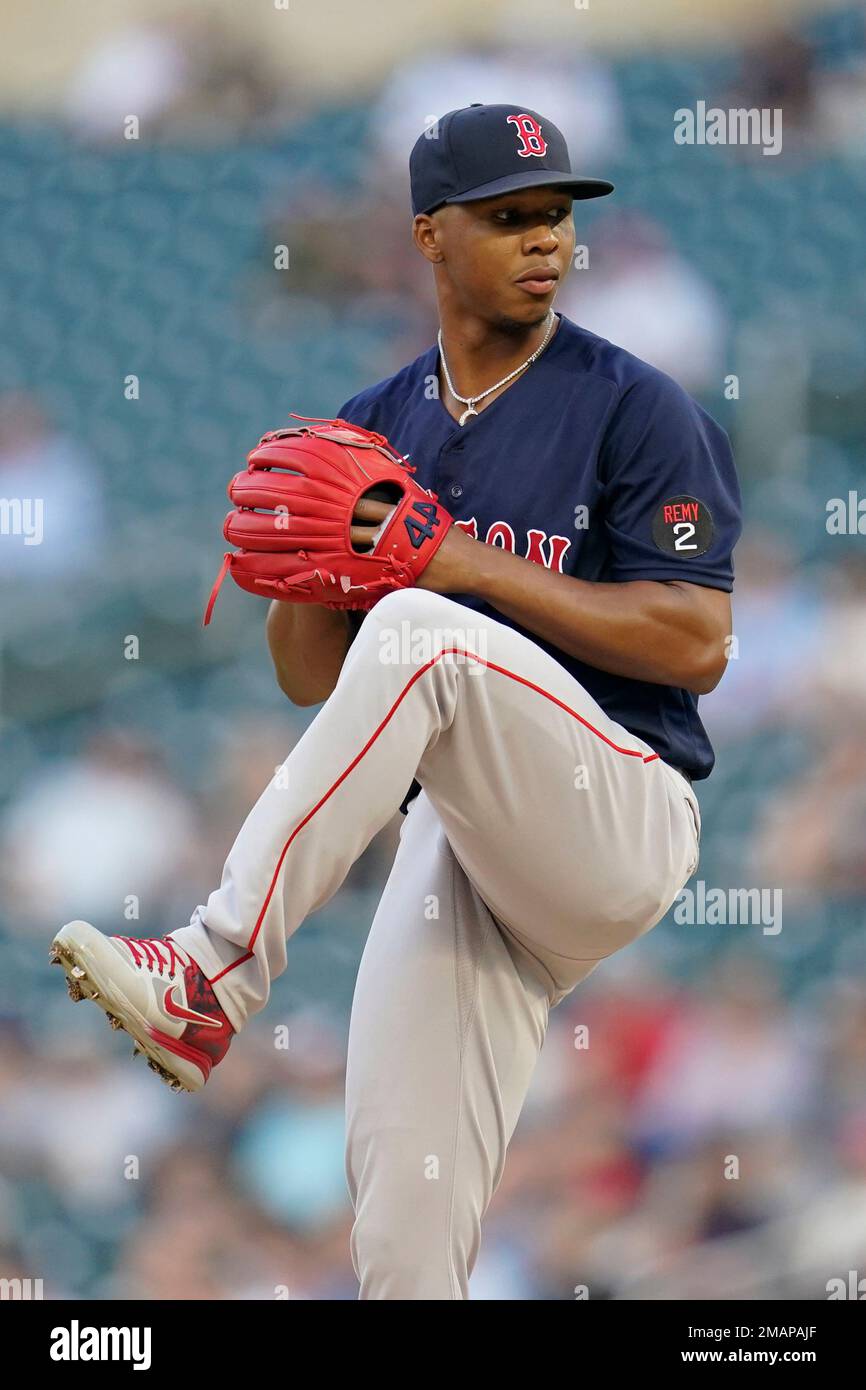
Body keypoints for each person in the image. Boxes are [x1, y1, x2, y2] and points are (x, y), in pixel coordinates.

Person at [51, 103, 742, 1300]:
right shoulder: (372, 424)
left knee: (429, 629)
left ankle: (210, 968)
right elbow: (309, 677)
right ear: (428, 235)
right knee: (402, 1228)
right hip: (472, 847)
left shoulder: (634, 405)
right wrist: (301, 579)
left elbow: (697, 641)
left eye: (557, 216)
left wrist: (459, 567)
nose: (544, 240)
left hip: (618, 803)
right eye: (508, 216)